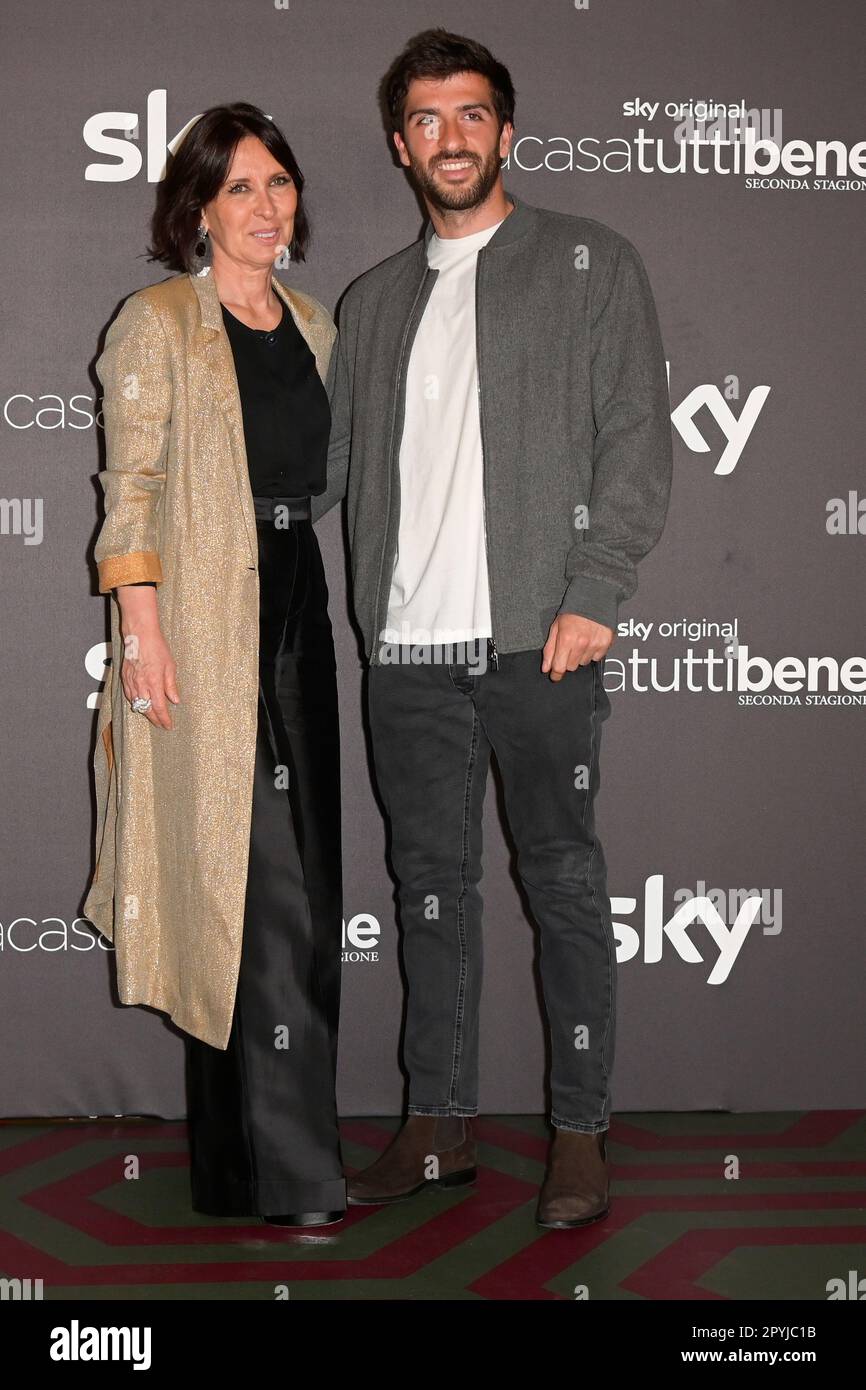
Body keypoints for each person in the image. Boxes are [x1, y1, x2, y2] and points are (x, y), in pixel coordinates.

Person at [316, 30, 674, 1227]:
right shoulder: (368, 305)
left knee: (562, 883)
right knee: (429, 893)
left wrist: (593, 590)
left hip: (538, 642)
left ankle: (578, 1131)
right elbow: (314, 474)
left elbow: (634, 437)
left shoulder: (588, 261)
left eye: (471, 115)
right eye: (426, 119)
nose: (450, 137)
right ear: (398, 144)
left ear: (505, 132)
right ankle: (437, 1128)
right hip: (406, 658)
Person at [83, 103, 346, 1227]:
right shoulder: (155, 322)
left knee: (306, 887)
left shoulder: (316, 320)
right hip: (196, 618)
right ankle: (281, 1175)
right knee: (238, 893)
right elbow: (127, 484)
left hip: (299, 604)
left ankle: (247, 1171)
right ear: (195, 208)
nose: (265, 205)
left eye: (277, 182)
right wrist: (141, 625)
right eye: (239, 187)